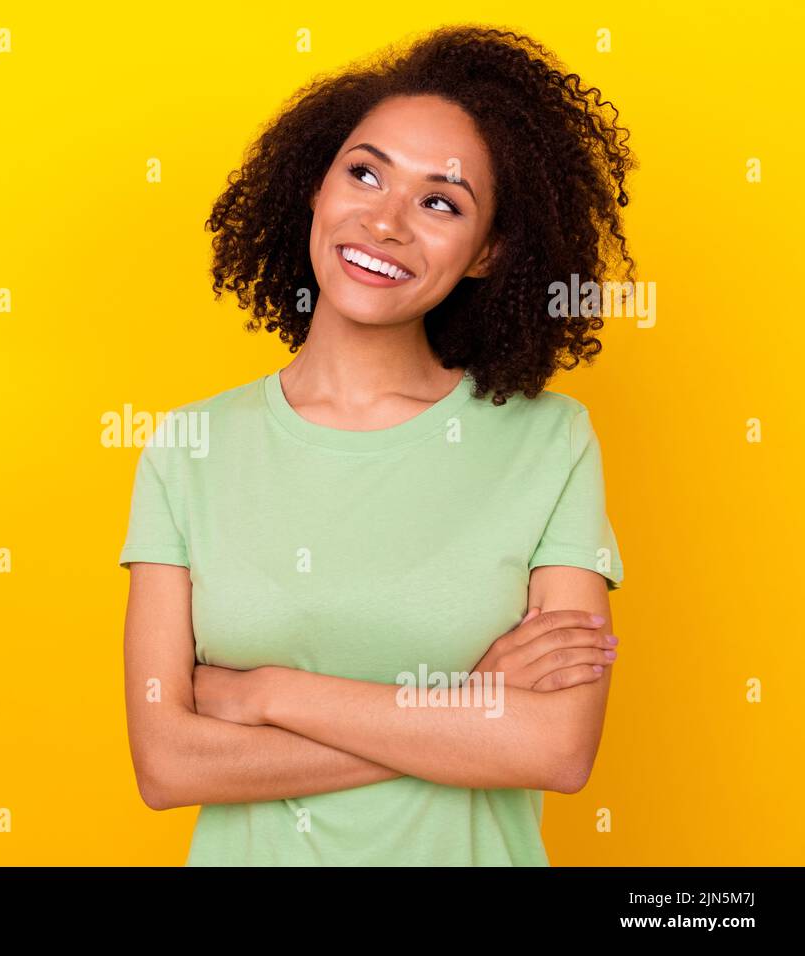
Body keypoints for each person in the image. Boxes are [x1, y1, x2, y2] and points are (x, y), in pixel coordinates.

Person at [118, 25, 635, 866]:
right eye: (365, 172)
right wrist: (467, 708)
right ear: (315, 189)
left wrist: (267, 696)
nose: (386, 220)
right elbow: (168, 765)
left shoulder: (550, 441)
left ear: (489, 251)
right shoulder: (189, 449)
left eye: (442, 201)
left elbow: (555, 750)